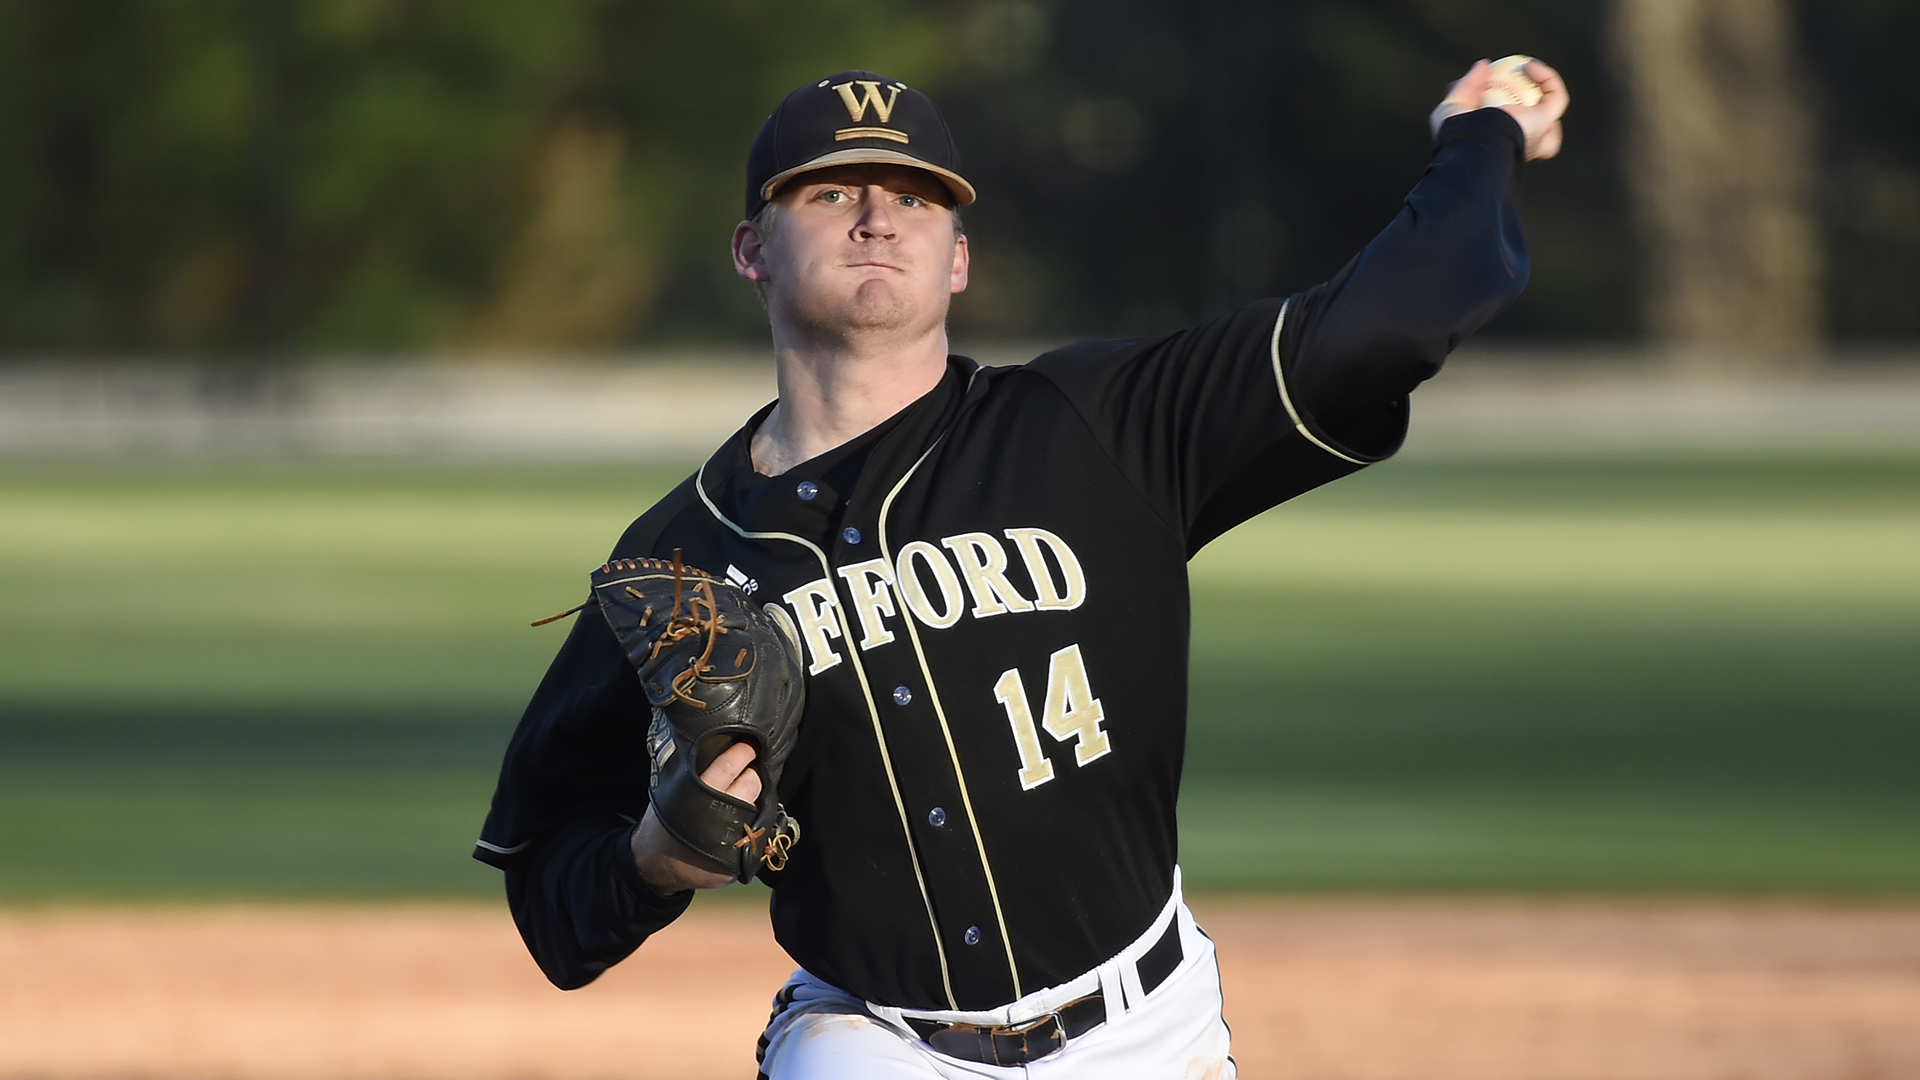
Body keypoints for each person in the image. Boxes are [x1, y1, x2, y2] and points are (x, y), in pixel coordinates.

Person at [476, 59, 1569, 1078]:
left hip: (1145, 1032)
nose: (875, 218)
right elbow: (552, 897)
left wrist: (1476, 137)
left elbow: (1396, 316)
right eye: (828, 193)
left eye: (914, 198)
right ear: (750, 250)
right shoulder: (680, 560)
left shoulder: (1095, 427)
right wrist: (655, 858)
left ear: (959, 258)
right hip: (873, 1042)